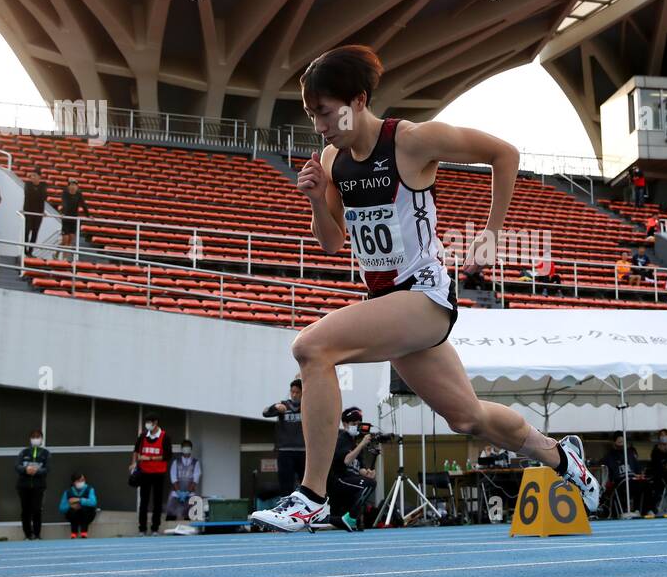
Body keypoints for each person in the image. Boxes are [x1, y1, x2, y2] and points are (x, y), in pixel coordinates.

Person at [250, 45, 599, 532]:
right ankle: (562, 457)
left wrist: (493, 231)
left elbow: (505, 153)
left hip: (424, 297)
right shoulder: (333, 160)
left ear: (357, 100)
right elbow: (332, 243)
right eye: (312, 116)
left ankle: (312, 496)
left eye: (325, 113)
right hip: (389, 306)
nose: (319, 126)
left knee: (311, 349)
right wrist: (314, 200)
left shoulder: (412, 141)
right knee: (468, 419)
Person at [328, 407, 378, 531]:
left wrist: (367, 473)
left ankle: (349, 518)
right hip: (339, 479)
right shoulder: (343, 438)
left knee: (368, 482)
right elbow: (346, 460)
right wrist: (362, 445)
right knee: (369, 484)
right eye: (353, 424)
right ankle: (351, 517)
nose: (356, 426)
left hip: (350, 479)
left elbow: (359, 467)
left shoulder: (354, 442)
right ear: (345, 424)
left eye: (358, 424)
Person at [131, 412, 172, 535]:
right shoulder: (143, 436)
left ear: (155, 423)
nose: (147, 425)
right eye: (146, 422)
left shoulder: (165, 437)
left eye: (149, 422)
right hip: (145, 472)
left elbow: (167, 455)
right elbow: (136, 451)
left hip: (158, 473)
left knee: (157, 501)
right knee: (144, 501)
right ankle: (142, 528)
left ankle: (155, 528)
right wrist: (134, 463)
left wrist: (150, 458)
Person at [263, 379, 306, 496]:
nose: (294, 395)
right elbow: (265, 413)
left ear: (303, 393)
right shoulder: (284, 405)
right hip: (285, 451)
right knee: (285, 483)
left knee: (305, 483)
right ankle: (286, 507)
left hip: (303, 451)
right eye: (292, 392)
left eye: (297, 392)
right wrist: (275, 406)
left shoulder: (308, 406)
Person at [16, 431, 49, 540]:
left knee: (37, 510)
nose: (35, 439)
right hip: (23, 486)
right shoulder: (24, 452)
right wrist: (26, 469)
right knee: (25, 510)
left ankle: (37, 534)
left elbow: (47, 469)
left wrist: (36, 471)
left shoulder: (46, 453)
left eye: (38, 437)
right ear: (30, 438)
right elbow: (17, 466)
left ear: (41, 439)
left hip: (38, 486)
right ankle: (27, 534)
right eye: (33, 437)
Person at [165, 440, 201, 521]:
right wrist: (178, 492)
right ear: (181, 449)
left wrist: (187, 492)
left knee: (189, 517)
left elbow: (195, 479)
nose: (186, 449)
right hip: (176, 494)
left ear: (191, 449)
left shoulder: (196, 463)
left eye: (188, 447)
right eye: (185, 447)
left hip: (190, 494)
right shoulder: (176, 462)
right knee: (171, 515)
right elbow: (173, 478)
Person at [59, 472, 99, 538]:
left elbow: (93, 502)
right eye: (78, 480)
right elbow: (61, 508)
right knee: (72, 511)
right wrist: (70, 506)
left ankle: (84, 532)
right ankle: (74, 533)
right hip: (74, 515)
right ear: (74, 482)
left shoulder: (90, 489)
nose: (81, 482)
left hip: (87, 515)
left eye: (83, 480)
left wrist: (79, 500)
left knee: (85, 509)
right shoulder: (68, 492)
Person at [648, 429, 667, 512]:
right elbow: (657, 465)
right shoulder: (655, 451)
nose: (664, 437)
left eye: (665, 435)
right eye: (662, 435)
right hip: (660, 476)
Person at [22, 167, 48, 258]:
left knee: (35, 232)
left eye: (34, 175)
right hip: (29, 211)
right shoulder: (28, 184)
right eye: (31, 176)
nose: (32, 177)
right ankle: (24, 250)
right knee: (26, 231)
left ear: (39, 177)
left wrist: (42, 211)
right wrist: (24, 210)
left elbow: (43, 198)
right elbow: (28, 196)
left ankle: (30, 251)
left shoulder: (43, 185)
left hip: (38, 213)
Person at [59, 177, 89, 249]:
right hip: (66, 217)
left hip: (74, 218)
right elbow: (64, 203)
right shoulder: (65, 193)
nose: (73, 187)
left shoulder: (79, 194)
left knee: (70, 239)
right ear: (68, 186)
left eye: (74, 185)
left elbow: (83, 204)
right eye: (71, 185)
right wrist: (63, 213)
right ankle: (58, 254)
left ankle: (64, 258)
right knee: (65, 239)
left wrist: (88, 215)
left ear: (77, 186)